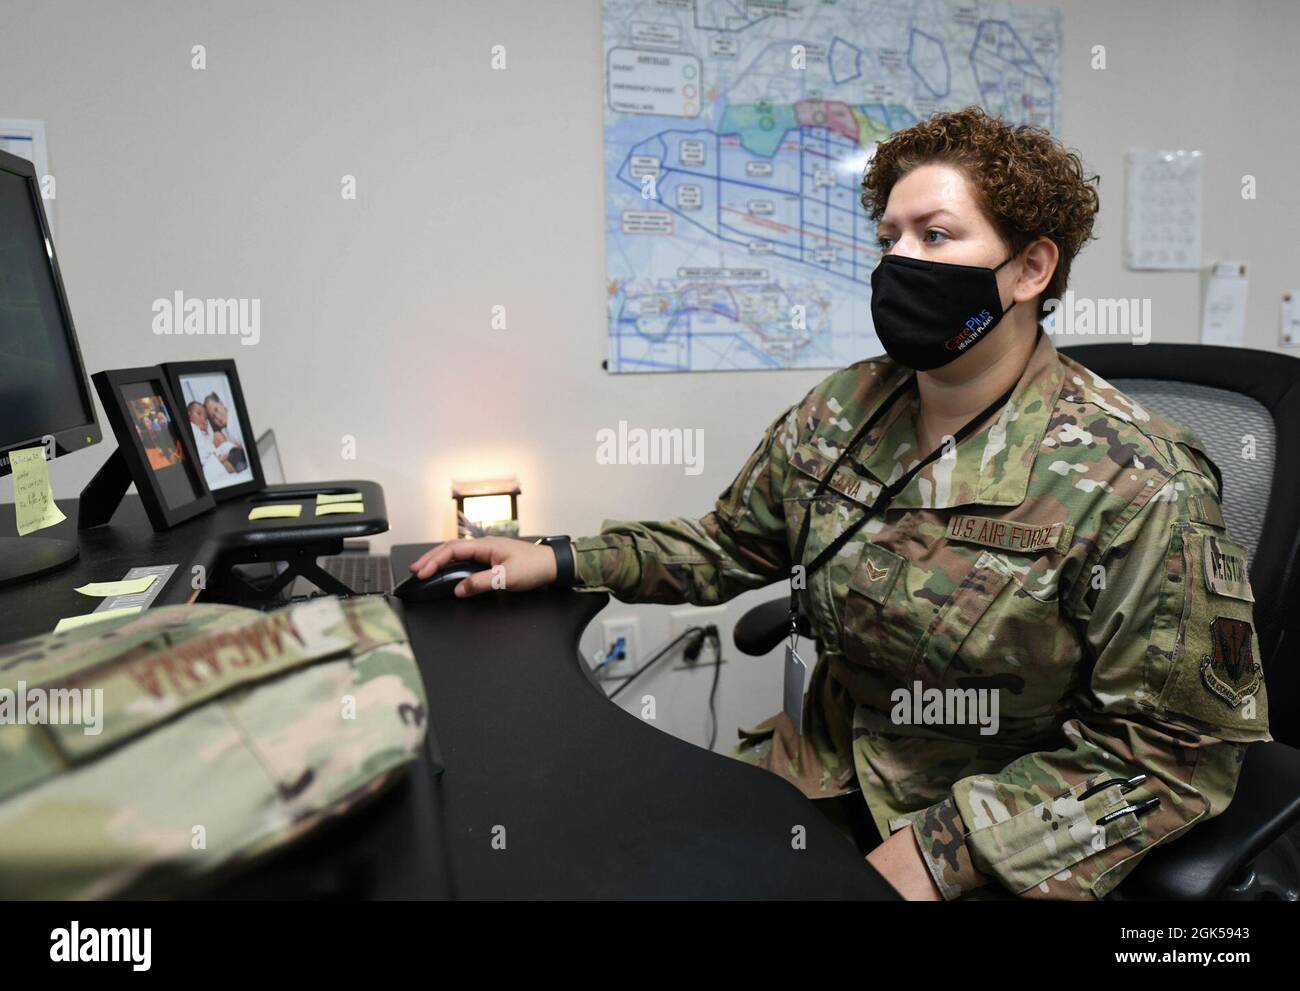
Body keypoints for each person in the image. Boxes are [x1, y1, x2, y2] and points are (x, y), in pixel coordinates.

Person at [408, 107, 1270, 900]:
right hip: (819, 775)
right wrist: (561, 557)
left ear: (1031, 268)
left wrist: (946, 850)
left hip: (996, 843)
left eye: (937, 235)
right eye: (890, 236)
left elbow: (1172, 754)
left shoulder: (1142, 479)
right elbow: (729, 544)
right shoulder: (847, 408)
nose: (901, 260)